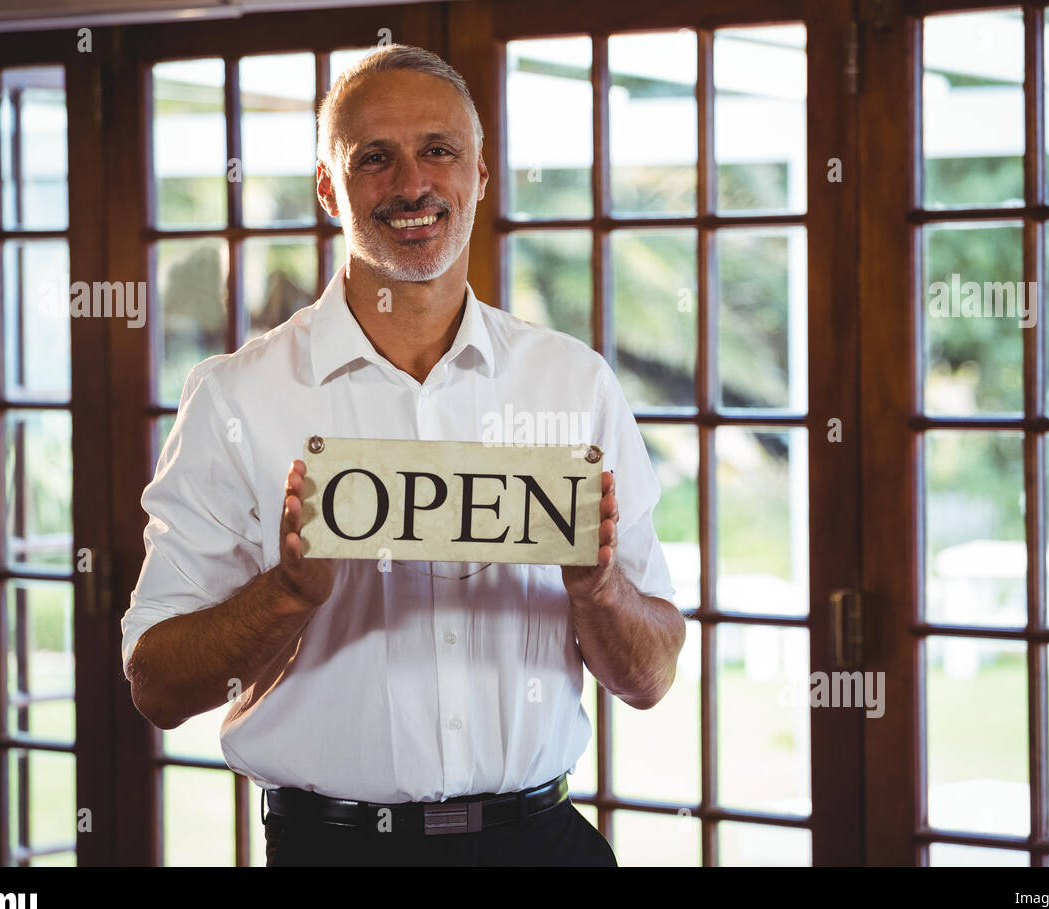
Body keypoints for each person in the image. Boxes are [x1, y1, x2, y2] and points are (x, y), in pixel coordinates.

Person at [121, 43, 685, 867]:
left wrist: (598, 590)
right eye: (374, 159)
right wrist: (286, 594)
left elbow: (652, 676)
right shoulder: (235, 399)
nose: (413, 185)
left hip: (542, 846)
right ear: (328, 187)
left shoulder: (574, 385)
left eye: (439, 152)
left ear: (481, 174)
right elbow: (156, 686)